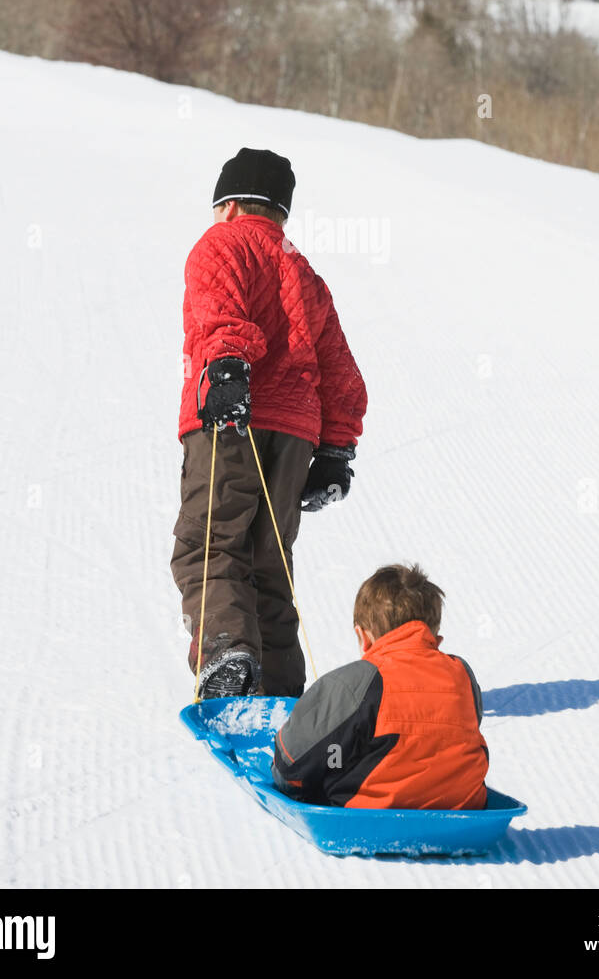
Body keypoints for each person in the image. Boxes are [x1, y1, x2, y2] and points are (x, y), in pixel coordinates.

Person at [171, 147, 367, 700]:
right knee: (269, 562)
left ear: (229, 204)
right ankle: (281, 691)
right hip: (296, 434)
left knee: (210, 544)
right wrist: (335, 449)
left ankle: (226, 656)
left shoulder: (222, 244)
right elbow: (340, 370)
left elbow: (220, 312)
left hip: (232, 414)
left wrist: (228, 368)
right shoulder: (305, 275)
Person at [271, 564, 489, 809]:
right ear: (436, 639)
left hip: (371, 811)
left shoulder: (359, 680)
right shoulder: (462, 674)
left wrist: (304, 774)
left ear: (363, 637)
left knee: (334, 754)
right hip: (465, 807)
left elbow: (291, 765)